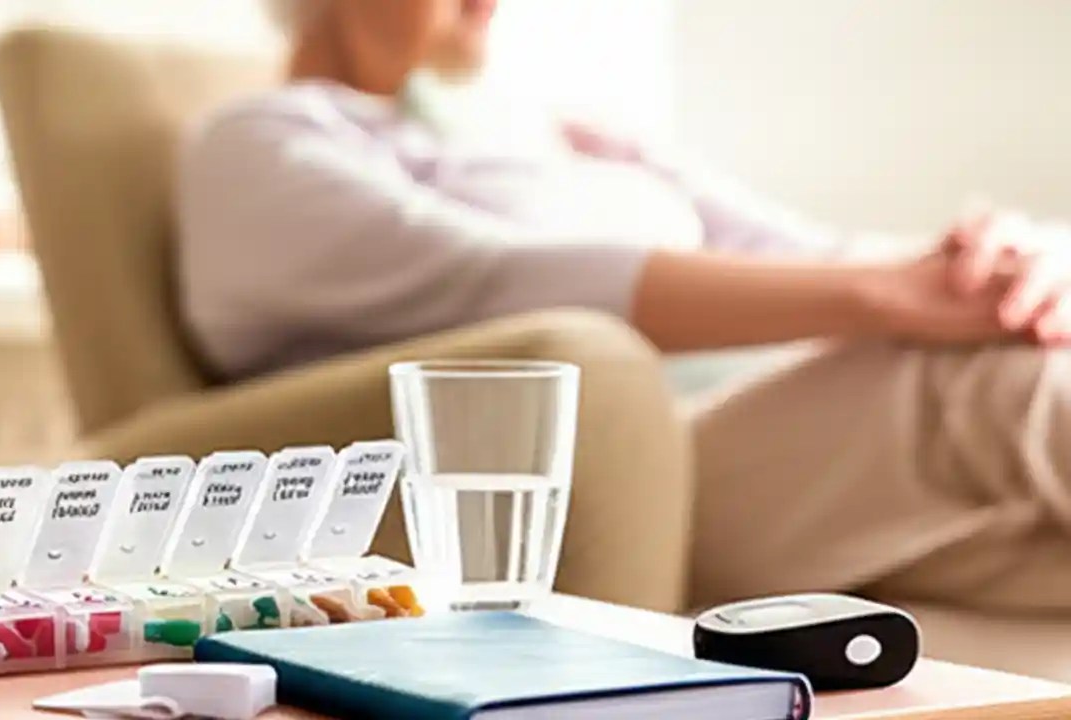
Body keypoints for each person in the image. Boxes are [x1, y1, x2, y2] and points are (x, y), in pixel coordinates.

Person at [178, 0, 1071, 613]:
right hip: (603, 482)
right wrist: (883, 296)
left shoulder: (568, 138)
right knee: (988, 388)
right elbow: (496, 278)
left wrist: (1008, 265)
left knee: (1035, 561)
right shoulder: (262, 143)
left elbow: (801, 248)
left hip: (791, 448)